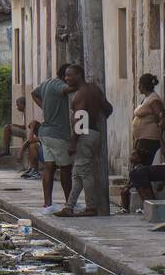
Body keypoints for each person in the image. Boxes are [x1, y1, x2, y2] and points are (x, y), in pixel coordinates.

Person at [58, 64, 112, 217]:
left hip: (84, 135)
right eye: (65, 75)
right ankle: (69, 207)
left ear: (79, 75)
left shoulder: (81, 94)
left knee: (85, 173)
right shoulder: (94, 89)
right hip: (93, 133)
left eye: (70, 75)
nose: (66, 78)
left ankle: (91, 208)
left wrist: (74, 142)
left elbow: (80, 119)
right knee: (78, 173)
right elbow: (108, 108)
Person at [31, 63, 74, 214]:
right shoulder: (59, 85)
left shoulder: (47, 82)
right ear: (65, 76)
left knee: (49, 167)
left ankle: (47, 203)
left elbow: (34, 93)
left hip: (45, 132)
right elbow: (67, 89)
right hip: (58, 134)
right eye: (70, 76)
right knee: (66, 169)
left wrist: (45, 106)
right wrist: (80, 84)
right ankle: (70, 203)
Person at [122, 107, 165, 211]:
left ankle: (151, 205)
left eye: (161, 120)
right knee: (136, 172)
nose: (159, 122)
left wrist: (159, 135)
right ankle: (150, 203)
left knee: (140, 172)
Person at [130, 73, 164, 165]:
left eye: (139, 84)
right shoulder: (147, 98)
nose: (138, 86)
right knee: (138, 163)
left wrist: (157, 126)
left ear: (143, 85)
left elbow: (160, 116)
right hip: (143, 138)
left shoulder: (154, 99)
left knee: (142, 164)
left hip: (149, 139)